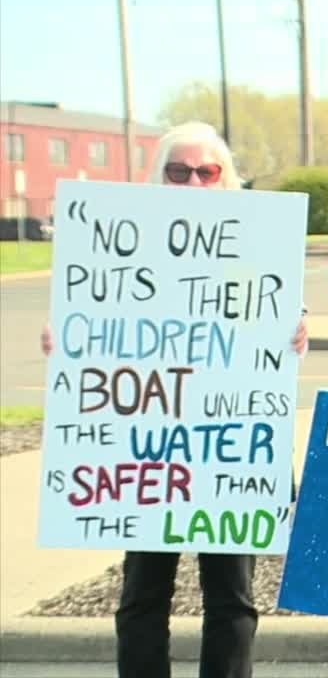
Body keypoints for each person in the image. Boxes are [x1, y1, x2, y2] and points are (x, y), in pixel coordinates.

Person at [40, 121, 308, 678]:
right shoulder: (123, 239)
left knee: (232, 598)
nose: (193, 182)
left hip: (230, 452)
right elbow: (95, 327)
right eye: (178, 171)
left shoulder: (260, 243)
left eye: (206, 171)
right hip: (147, 453)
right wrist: (66, 341)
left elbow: (277, 324)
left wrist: (296, 331)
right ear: (158, 176)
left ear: (225, 178)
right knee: (142, 594)